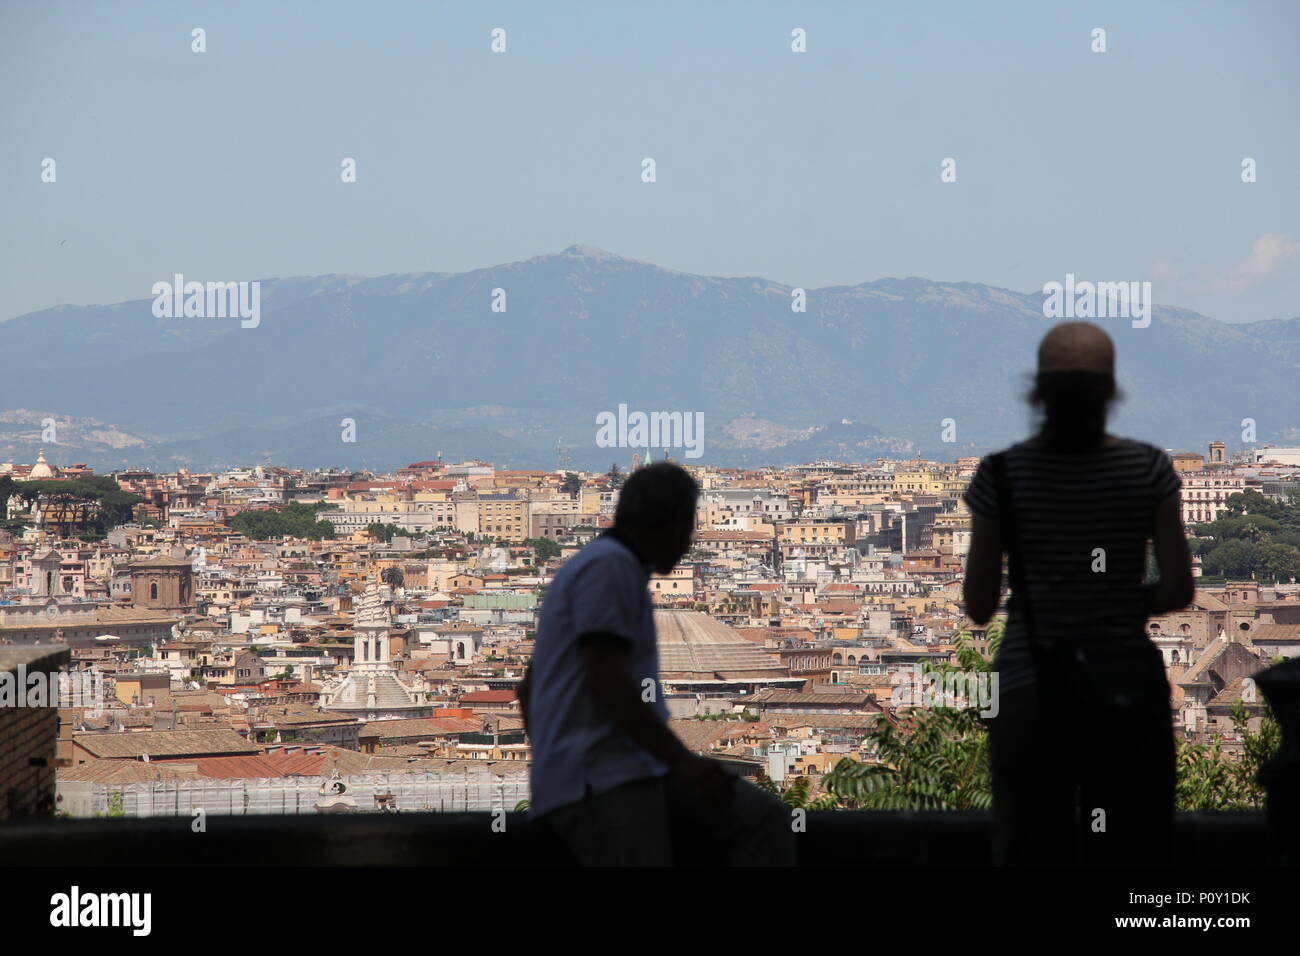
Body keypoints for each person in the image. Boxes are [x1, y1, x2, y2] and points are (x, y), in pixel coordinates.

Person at [962, 321, 1194, 866]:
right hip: (1123, 681)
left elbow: (978, 603)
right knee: (1137, 846)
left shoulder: (1003, 473)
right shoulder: (1147, 468)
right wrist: (1118, 599)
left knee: (1029, 842)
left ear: (1037, 393)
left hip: (1029, 683)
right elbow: (1179, 589)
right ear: (1112, 392)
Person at [519, 462, 795, 866]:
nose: (688, 542)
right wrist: (684, 764)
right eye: (688, 527)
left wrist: (553, 762)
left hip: (583, 782)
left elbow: (529, 689)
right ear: (670, 522)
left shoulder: (592, 564)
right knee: (763, 820)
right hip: (608, 785)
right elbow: (608, 681)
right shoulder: (611, 568)